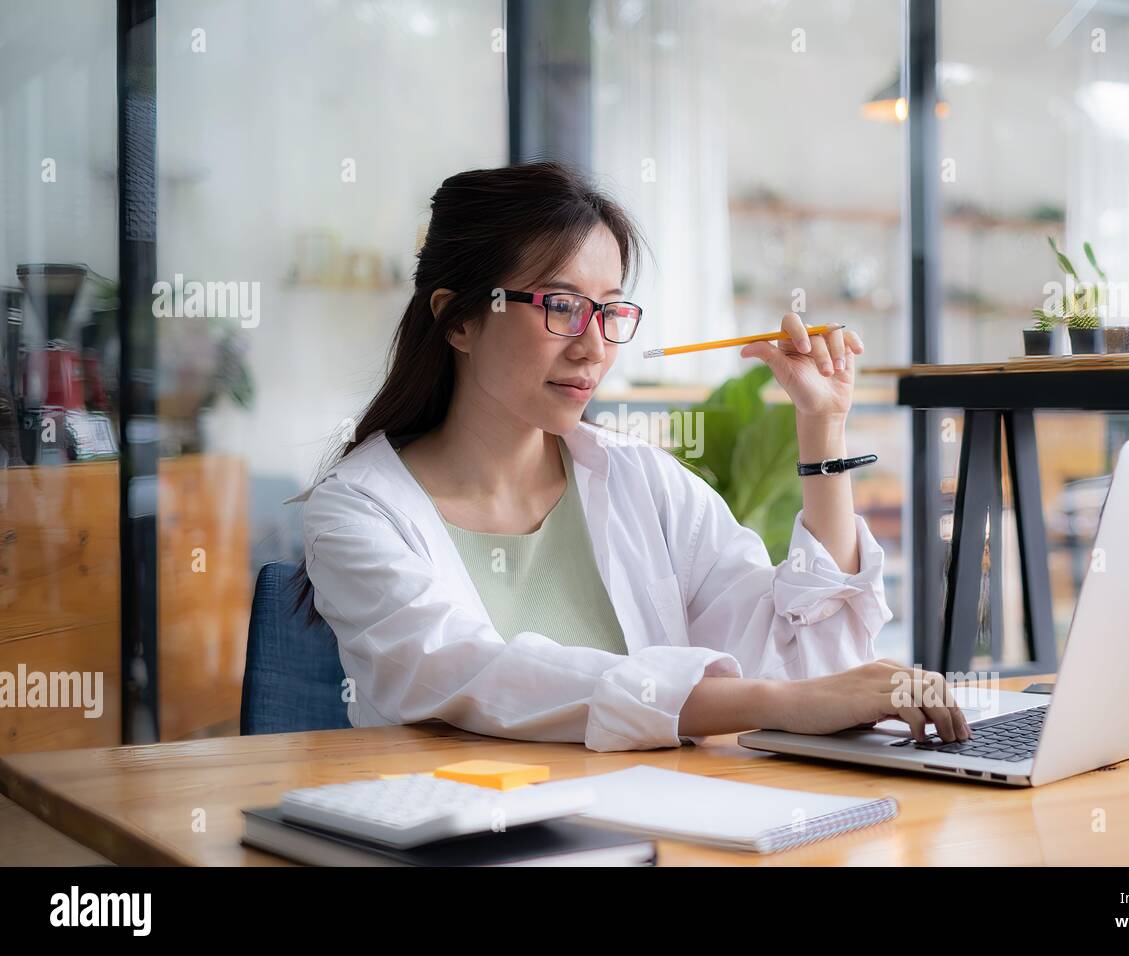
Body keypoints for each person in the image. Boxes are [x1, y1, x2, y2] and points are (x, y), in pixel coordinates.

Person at [293, 161, 970, 751]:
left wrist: (823, 427)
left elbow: (810, 665)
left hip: (655, 831)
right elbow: (476, 676)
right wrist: (777, 704)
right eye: (561, 305)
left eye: (610, 311)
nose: (593, 347)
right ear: (460, 319)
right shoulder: (359, 512)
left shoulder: (642, 481)